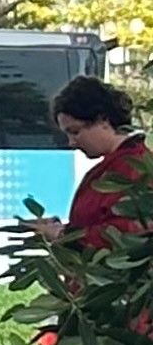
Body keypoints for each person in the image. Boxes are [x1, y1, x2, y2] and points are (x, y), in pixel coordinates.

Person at [51, 75, 148, 249]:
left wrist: (64, 236)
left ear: (102, 120)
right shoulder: (114, 165)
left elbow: (128, 234)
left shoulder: (135, 167)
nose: (71, 142)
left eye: (75, 131)